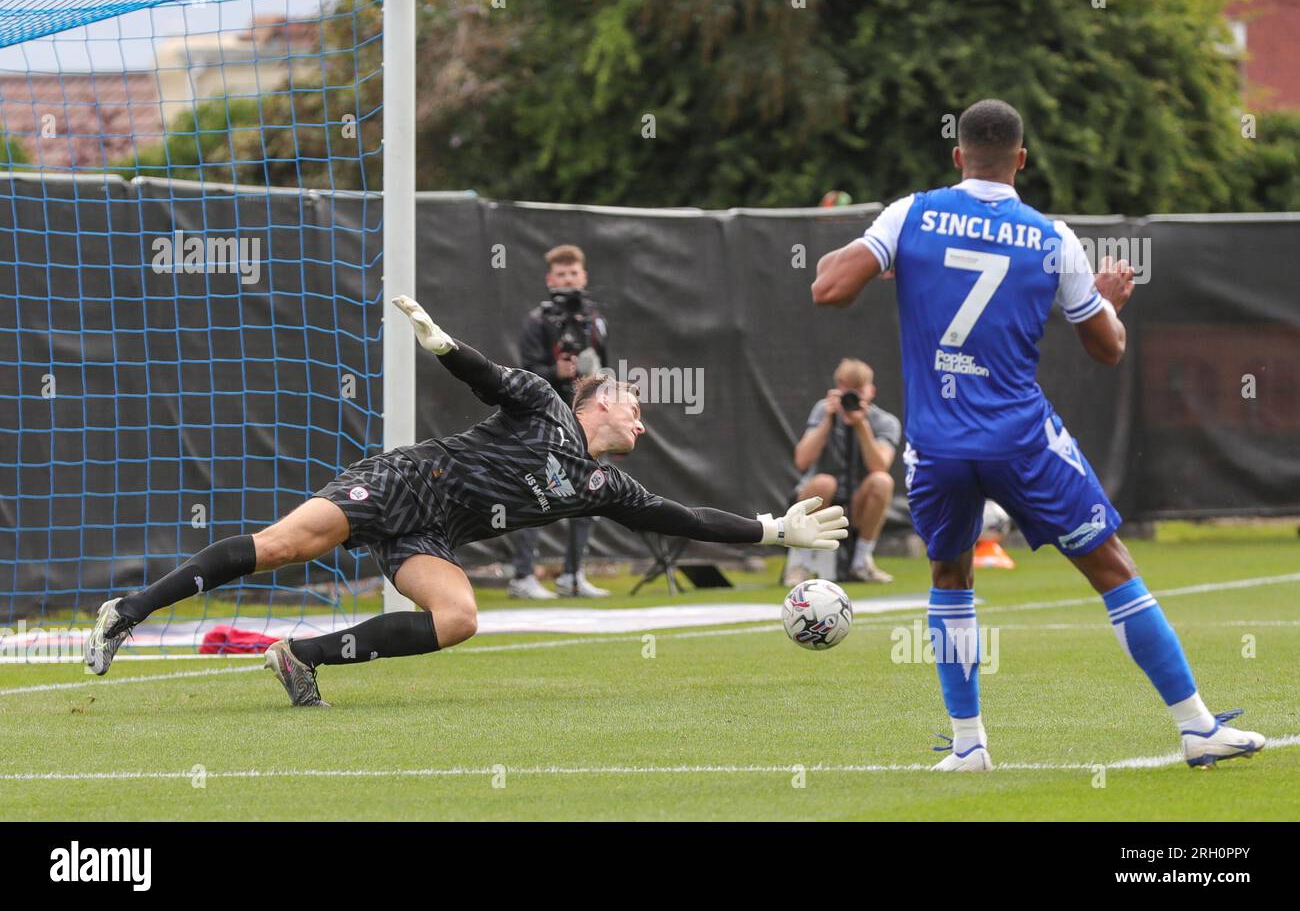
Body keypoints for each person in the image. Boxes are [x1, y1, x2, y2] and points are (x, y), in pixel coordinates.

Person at [84, 296, 848, 707]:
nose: (642, 418)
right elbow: (484, 378)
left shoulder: (602, 485)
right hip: (405, 482)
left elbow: (679, 518)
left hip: (434, 535)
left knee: (460, 618)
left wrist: (774, 528)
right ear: (597, 402)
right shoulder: (546, 402)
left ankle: (300, 657)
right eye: (632, 404)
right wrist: (443, 343)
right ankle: (129, 610)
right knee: (285, 545)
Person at [811, 99, 1265, 771]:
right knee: (1112, 566)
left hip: (938, 445)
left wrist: (878, 250)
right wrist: (1109, 298)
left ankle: (968, 744)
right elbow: (1106, 347)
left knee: (950, 574)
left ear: (957, 154)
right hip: (1021, 439)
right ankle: (1196, 726)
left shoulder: (910, 213)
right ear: (1022, 158)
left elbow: (827, 288)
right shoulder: (1052, 237)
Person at [510, 244, 611, 599]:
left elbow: (604, 369)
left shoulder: (595, 320)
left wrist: (593, 378)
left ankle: (573, 574)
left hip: (586, 422)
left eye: (574, 274)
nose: (569, 281)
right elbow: (524, 373)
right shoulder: (538, 320)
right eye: (562, 275)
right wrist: (558, 371)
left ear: (584, 276)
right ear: (550, 279)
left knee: (592, 494)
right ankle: (522, 575)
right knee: (537, 494)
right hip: (546, 422)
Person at [785, 358, 900, 585]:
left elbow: (880, 466)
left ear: (871, 391)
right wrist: (827, 421)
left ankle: (861, 562)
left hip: (856, 507)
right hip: (816, 502)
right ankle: (800, 565)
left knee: (882, 481)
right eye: (848, 390)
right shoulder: (823, 411)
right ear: (837, 388)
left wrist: (861, 425)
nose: (852, 398)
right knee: (824, 483)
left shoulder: (885, 422)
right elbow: (801, 461)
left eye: (859, 391)